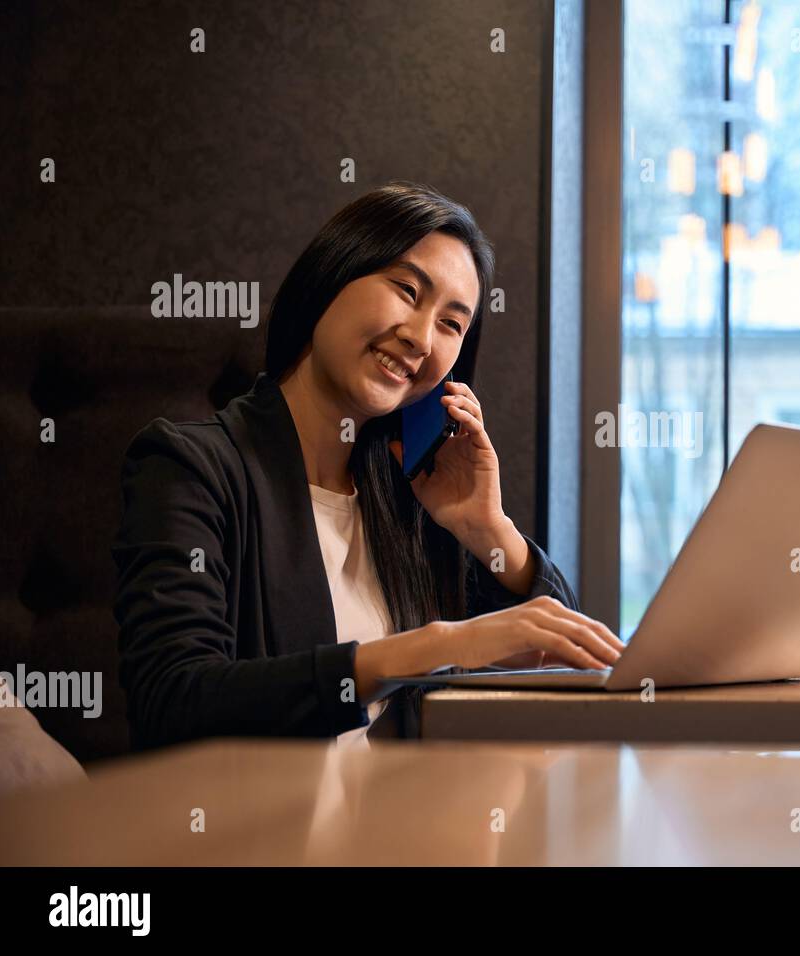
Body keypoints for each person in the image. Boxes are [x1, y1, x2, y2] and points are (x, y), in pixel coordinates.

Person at [111, 181, 623, 750]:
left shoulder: (414, 496)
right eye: (407, 289)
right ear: (330, 277)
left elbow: (564, 656)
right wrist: (438, 645)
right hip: (262, 832)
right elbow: (172, 699)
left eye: (452, 324)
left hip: (407, 827)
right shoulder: (190, 467)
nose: (421, 337)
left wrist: (488, 529)